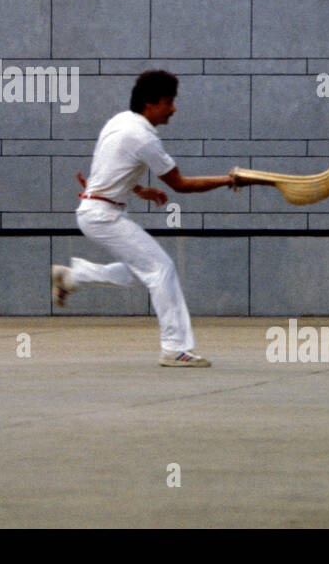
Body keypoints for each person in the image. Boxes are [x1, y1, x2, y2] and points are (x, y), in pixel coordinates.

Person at [51, 69, 247, 367]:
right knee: (161, 269)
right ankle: (175, 348)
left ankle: (73, 277)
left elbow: (114, 167)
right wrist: (228, 180)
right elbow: (181, 184)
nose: (173, 109)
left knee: (144, 271)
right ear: (149, 104)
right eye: (168, 102)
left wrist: (139, 189)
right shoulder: (142, 137)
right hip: (103, 216)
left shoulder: (120, 121)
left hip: (98, 211)